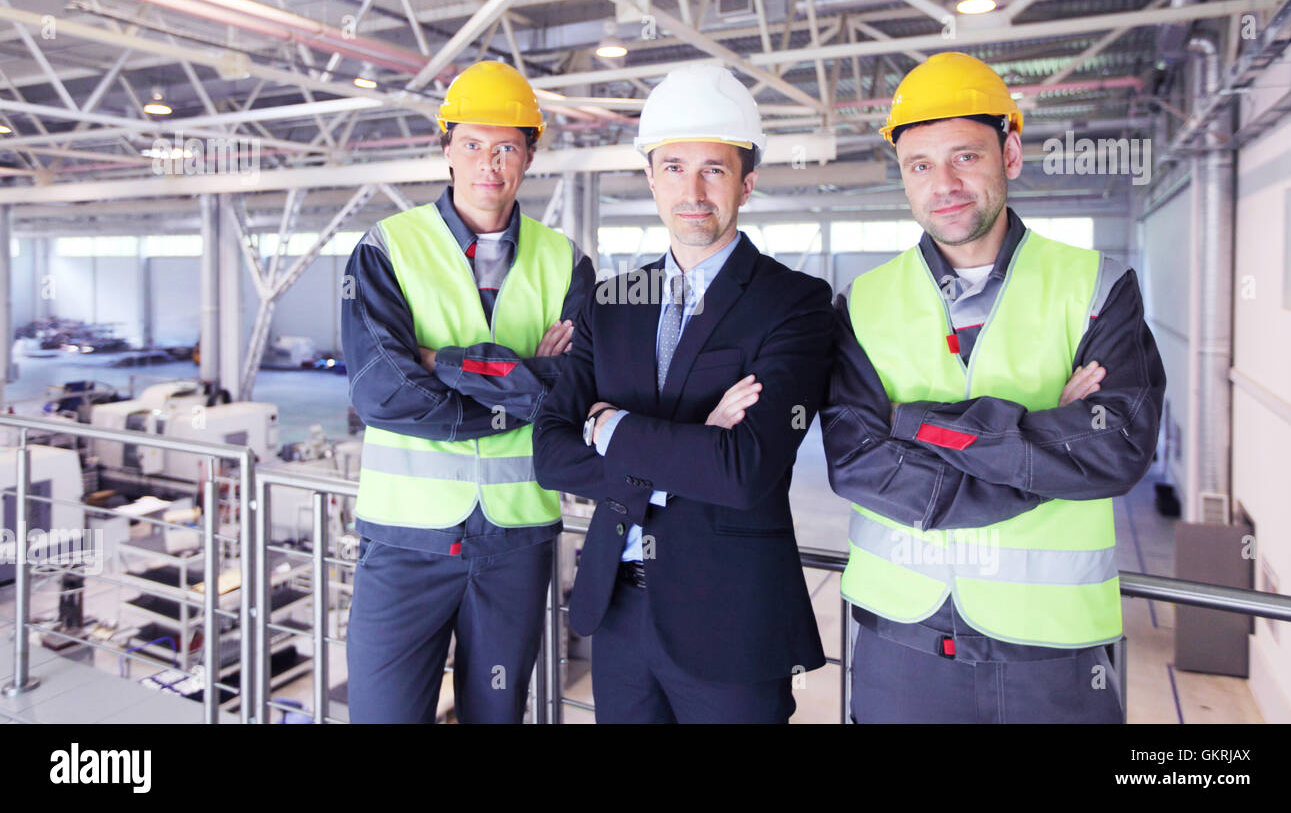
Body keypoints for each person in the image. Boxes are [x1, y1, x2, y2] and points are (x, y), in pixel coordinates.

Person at [821, 51, 1165, 723]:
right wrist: (1041, 445)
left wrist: (912, 425)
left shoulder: (1095, 286)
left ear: (1009, 153)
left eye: (965, 157)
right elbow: (855, 462)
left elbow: (1115, 448)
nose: (942, 183)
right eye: (920, 165)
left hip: (1052, 655)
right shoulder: (861, 302)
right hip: (901, 644)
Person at [532, 64, 833, 723]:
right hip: (617, 612)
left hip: (730, 622)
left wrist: (609, 427)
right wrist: (696, 440)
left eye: (714, 169)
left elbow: (747, 469)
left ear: (746, 183)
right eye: (673, 168)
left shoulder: (796, 305)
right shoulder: (609, 303)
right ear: (649, 177)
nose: (692, 190)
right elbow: (550, 452)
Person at [341, 60, 593, 723]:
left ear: (530, 155)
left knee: (497, 716)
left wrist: (439, 361)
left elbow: (570, 395)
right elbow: (382, 396)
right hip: (405, 540)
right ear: (446, 147)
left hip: (515, 540)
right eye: (474, 144)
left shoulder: (566, 261)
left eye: (508, 146)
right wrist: (516, 385)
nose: (490, 163)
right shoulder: (386, 250)